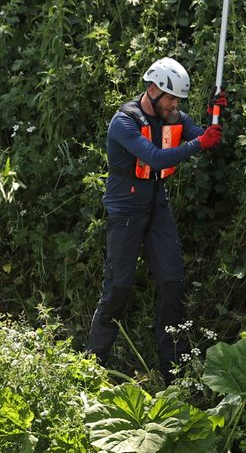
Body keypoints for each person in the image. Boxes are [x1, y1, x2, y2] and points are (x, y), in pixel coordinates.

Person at [87, 57, 226, 382]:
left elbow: (208, 138)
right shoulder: (124, 122)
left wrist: (215, 115)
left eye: (178, 100)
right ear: (153, 90)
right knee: (118, 289)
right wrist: (198, 143)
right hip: (126, 212)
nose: (176, 105)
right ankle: (92, 366)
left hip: (157, 209)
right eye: (171, 99)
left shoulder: (173, 116)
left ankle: (173, 371)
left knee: (172, 282)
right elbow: (156, 157)